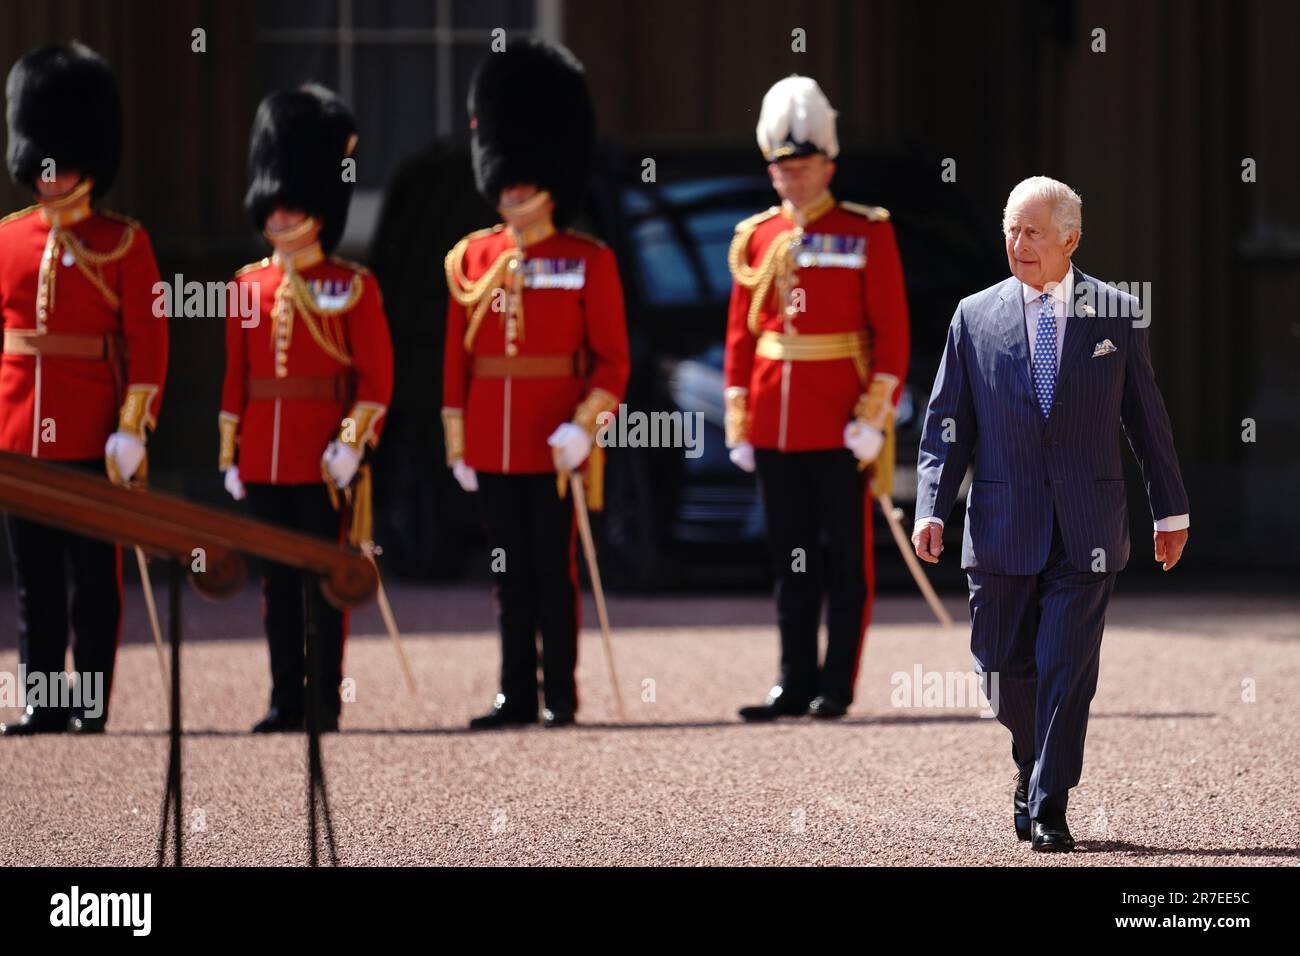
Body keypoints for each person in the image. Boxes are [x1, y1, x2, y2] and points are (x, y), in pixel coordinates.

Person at [913, 176, 1189, 851]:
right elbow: (946, 424)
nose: (1019, 244)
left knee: (1067, 665)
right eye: (1012, 230)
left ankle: (1050, 804)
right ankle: (1032, 764)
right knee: (999, 668)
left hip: (1087, 527)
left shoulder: (1116, 313)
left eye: (1033, 231)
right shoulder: (973, 316)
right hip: (1001, 525)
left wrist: (1170, 511)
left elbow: (1147, 423)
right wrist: (932, 507)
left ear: (1072, 237)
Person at [443, 38, 629, 729]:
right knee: (506, 573)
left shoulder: (587, 259)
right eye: (507, 176)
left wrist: (584, 426)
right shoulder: (471, 259)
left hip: (555, 441)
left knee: (555, 573)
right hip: (492, 440)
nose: (513, 187)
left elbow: (611, 361)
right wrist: (459, 441)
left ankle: (560, 695)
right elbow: (455, 362)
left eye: (524, 176)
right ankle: (512, 691)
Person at [725, 75, 910, 721]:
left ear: (827, 165)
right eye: (784, 168)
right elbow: (741, 338)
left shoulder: (866, 231)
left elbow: (891, 335)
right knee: (789, 559)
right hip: (775, 423)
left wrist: (872, 415)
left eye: (804, 167)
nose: (793, 178)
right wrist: (739, 418)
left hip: (839, 421)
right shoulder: (755, 236)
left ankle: (837, 684)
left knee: (844, 563)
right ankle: (792, 679)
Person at [0, 43, 167, 735]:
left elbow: (150, 344)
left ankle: (89, 701)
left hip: (92, 435)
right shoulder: (6, 239)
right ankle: (44, 697)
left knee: (95, 582)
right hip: (17, 436)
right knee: (36, 584)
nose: (49, 174)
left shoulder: (125, 245)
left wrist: (132, 426)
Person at [220, 84, 393, 733]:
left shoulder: (352, 287)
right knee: (277, 589)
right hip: (263, 456)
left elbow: (376, 379)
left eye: (294, 205)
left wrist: (351, 442)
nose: (281, 217)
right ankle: (282, 698)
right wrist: (230, 452)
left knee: (325, 583)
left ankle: (322, 699)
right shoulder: (247, 285)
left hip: (323, 459)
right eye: (275, 206)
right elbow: (237, 377)